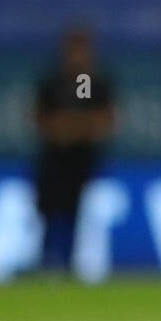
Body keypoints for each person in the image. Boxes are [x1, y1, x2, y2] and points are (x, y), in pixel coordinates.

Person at [33, 26, 116, 272]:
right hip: (53, 161)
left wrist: (72, 128)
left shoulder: (90, 82)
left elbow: (102, 119)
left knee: (77, 214)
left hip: (81, 161)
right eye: (74, 49)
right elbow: (39, 119)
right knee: (48, 212)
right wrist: (68, 127)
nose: (78, 56)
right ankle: (47, 260)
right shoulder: (54, 82)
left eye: (82, 50)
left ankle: (69, 263)